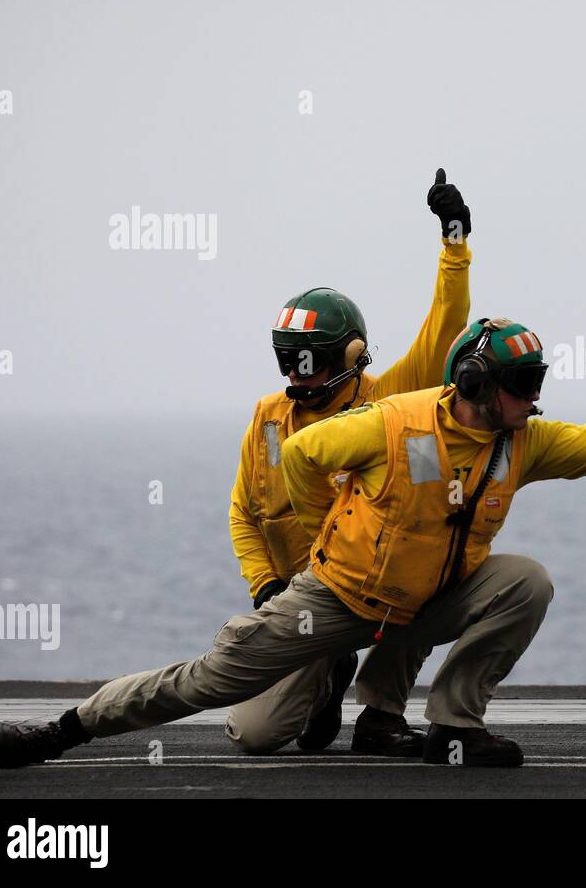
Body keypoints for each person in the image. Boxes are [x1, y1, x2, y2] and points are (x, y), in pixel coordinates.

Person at [0, 318, 586, 769]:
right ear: (477, 387)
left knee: (525, 583)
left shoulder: (525, 441)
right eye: (524, 388)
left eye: (538, 385)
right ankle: (65, 728)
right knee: (226, 705)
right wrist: (320, 541)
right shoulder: (396, 422)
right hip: (337, 601)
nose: (536, 400)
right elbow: (307, 457)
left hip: (420, 603)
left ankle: (444, 724)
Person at [226, 168, 474, 757]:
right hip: (304, 600)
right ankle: (327, 677)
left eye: (305, 361)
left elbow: (444, 328)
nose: (293, 375)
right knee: (256, 735)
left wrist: (454, 243)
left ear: (350, 356)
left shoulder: (391, 402)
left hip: (382, 590)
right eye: (285, 360)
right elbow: (244, 513)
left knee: (435, 579)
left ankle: (382, 709)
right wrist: (265, 587)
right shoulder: (266, 420)